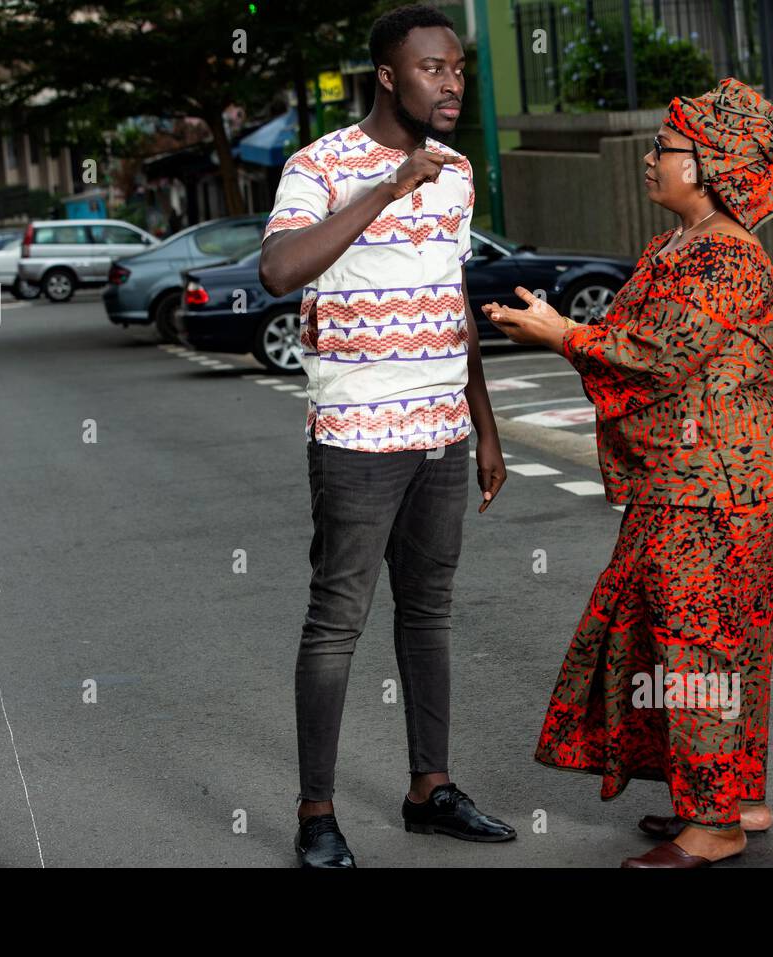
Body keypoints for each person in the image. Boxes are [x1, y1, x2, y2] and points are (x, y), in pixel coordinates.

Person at [482, 76, 773, 868]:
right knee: (721, 643)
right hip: (693, 483)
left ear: (705, 165)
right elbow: (631, 333)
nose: (651, 161)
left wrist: (560, 336)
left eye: (665, 148)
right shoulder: (678, 246)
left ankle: (714, 824)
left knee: (698, 648)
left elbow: (656, 358)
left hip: (716, 489)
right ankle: (736, 799)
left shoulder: (725, 255)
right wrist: (561, 326)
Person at [258, 3, 514, 869]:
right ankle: (317, 813)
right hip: (357, 436)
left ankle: (429, 788)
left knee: (430, 614)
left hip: (442, 429)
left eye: (458, 68)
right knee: (336, 623)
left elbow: (454, 301)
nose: (451, 82)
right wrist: (384, 190)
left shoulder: (459, 172)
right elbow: (279, 269)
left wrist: (485, 427)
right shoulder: (319, 165)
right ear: (387, 76)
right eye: (433, 68)